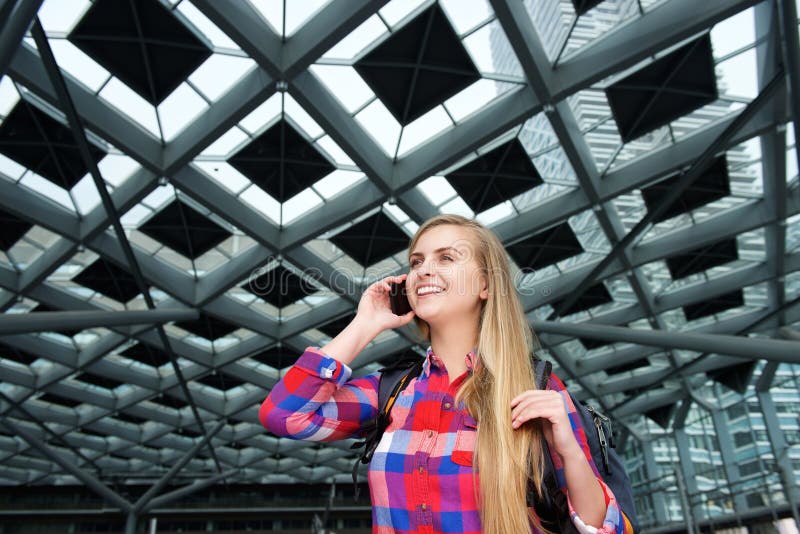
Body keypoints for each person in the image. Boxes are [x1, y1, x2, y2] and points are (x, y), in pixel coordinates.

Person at [260, 214, 631, 534]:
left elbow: (603, 527)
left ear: (486, 285)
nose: (423, 269)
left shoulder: (538, 391)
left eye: (447, 257)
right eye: (417, 261)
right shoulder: (390, 392)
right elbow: (285, 415)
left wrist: (569, 450)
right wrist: (365, 323)